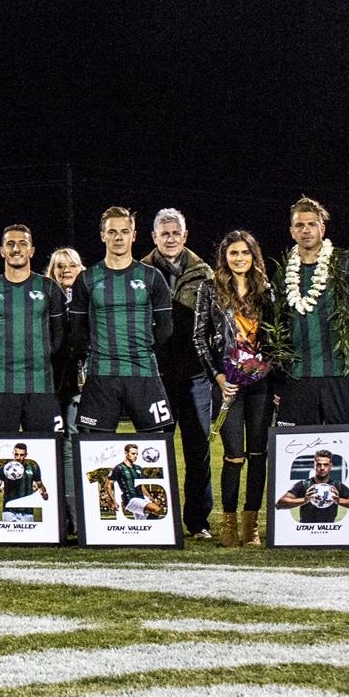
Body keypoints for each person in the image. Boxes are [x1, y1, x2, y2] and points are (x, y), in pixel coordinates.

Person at [194, 230, 275, 548]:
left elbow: (274, 335)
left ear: (254, 256)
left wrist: (267, 368)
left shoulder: (265, 289)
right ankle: (228, 523)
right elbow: (199, 337)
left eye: (245, 253)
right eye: (233, 253)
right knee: (234, 455)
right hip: (227, 383)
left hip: (260, 384)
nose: (239, 258)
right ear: (224, 257)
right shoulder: (210, 288)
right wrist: (217, 377)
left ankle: (251, 525)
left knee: (258, 454)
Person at [270, 197, 349, 428]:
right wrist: (277, 378)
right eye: (300, 225)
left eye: (312, 224)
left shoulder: (344, 264)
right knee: (298, 446)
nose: (306, 230)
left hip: (340, 373)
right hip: (297, 376)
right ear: (291, 231)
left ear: (322, 229)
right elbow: (275, 326)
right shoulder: (283, 272)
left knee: (344, 443)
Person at [142, 208, 216, 541]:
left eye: (176, 233)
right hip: (156, 375)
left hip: (196, 375)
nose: (170, 238)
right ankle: (155, 514)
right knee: (155, 447)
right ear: (154, 237)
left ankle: (198, 521)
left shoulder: (205, 272)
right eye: (164, 233)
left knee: (198, 449)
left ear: (185, 236)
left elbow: (216, 323)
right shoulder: (141, 271)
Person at [69, 208, 174, 433]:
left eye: (124, 231)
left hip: (143, 371)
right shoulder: (87, 278)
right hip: (101, 373)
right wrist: (96, 352)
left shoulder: (152, 276)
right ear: (102, 235)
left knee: (155, 442)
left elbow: (165, 328)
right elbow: (77, 331)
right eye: (112, 232)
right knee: (95, 445)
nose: (118, 237)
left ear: (133, 235)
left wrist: (143, 350)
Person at [0, 225, 67, 432]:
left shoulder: (49, 287)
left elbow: (59, 334)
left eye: (23, 244)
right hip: (0, 385)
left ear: (31, 250)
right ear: (2, 251)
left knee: (48, 448)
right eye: (10, 244)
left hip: (41, 385)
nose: (16, 249)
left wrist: (44, 354)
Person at [46, 247, 85, 540]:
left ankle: (76, 515)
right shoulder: (45, 300)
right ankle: (60, 514)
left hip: (80, 382)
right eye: (59, 266)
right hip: (51, 382)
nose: (65, 270)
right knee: (56, 444)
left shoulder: (89, 298)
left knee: (74, 443)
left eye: (71, 265)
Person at [275, 448, 349, 523]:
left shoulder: (337, 486)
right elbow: (279, 504)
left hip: (329, 531)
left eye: (325, 465)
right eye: (319, 464)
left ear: (330, 466)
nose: (322, 468)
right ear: (314, 466)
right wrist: (304, 500)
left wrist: (339, 501)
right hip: (306, 530)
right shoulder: (304, 484)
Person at [0, 442, 48, 521]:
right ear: (13, 453)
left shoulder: (33, 468)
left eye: (22, 455)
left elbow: (40, 485)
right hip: (8, 511)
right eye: (16, 454)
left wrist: (44, 492)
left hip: (27, 511)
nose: (19, 457)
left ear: (26, 455)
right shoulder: (5, 469)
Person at [108, 443, 153, 520]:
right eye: (133, 453)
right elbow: (108, 486)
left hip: (141, 499)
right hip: (130, 499)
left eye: (137, 454)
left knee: (143, 522)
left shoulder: (138, 468)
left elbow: (141, 485)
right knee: (156, 509)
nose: (135, 456)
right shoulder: (118, 468)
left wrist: (149, 497)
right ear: (126, 453)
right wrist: (113, 501)